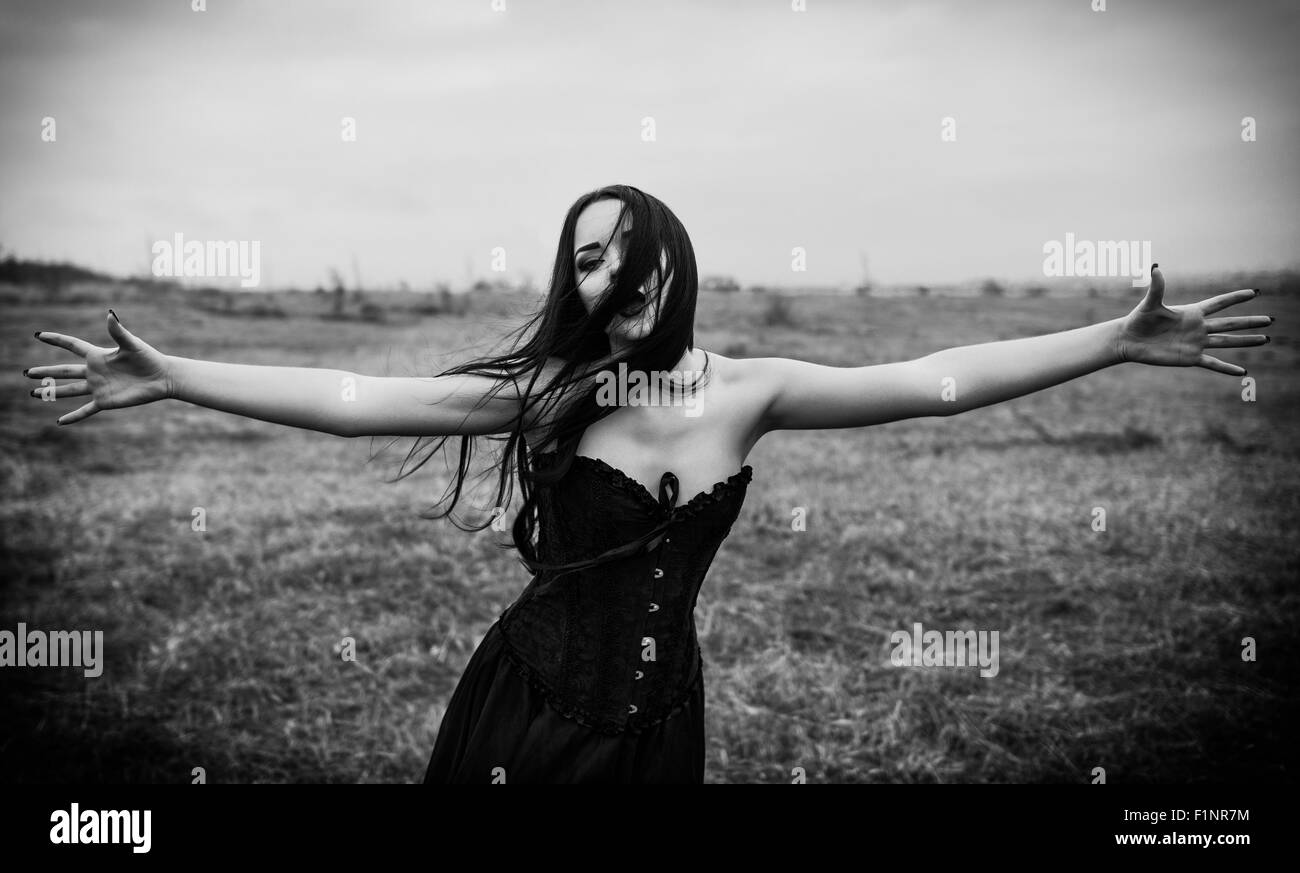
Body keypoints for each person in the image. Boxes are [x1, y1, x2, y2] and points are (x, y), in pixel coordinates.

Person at [25, 184, 1272, 783]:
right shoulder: (548, 393)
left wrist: (1112, 342)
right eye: (586, 260)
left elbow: (935, 379)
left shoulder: (752, 390)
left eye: (630, 252)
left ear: (674, 264)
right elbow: (355, 398)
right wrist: (176, 375)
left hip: (664, 727)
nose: (611, 274)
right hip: (529, 717)